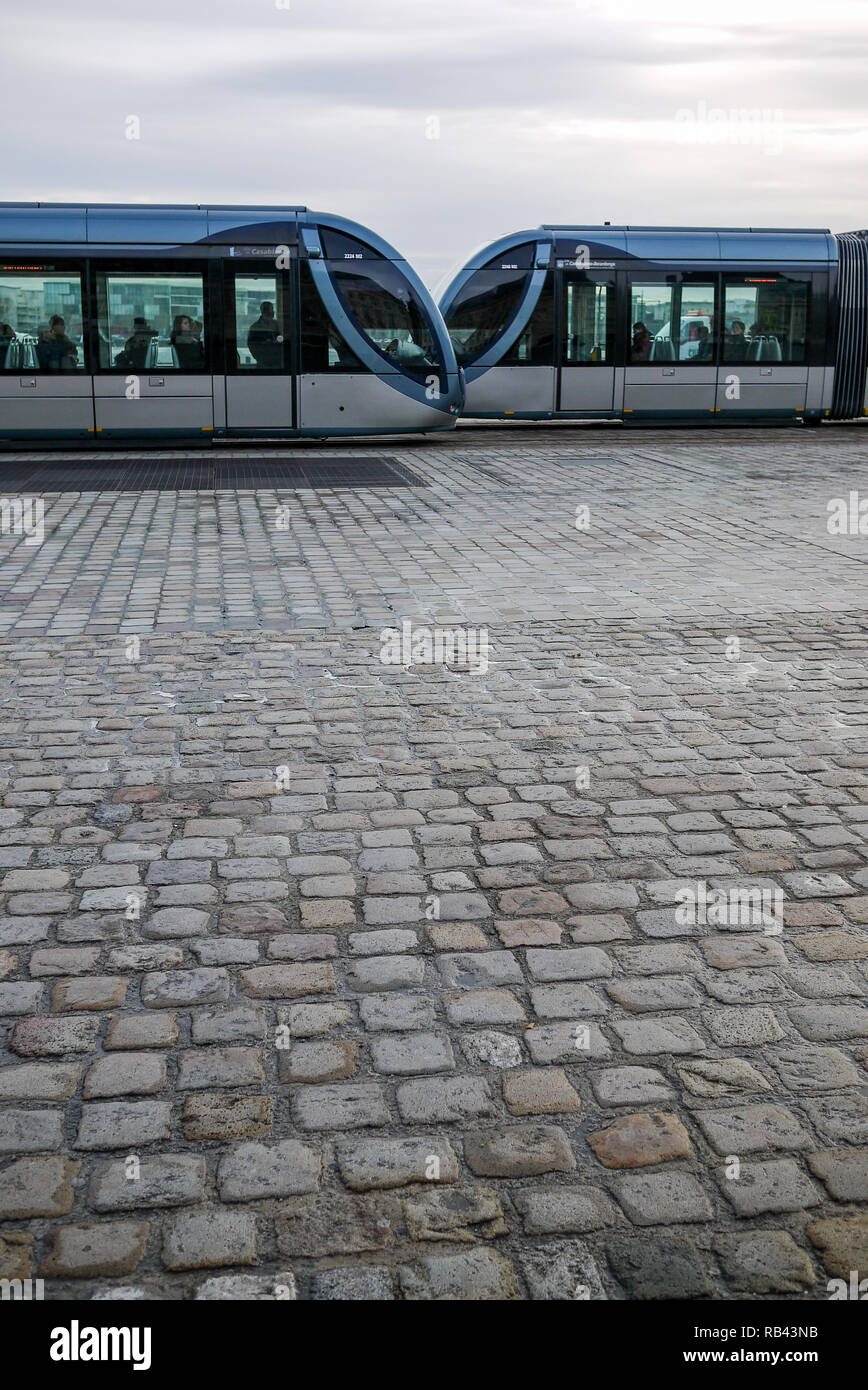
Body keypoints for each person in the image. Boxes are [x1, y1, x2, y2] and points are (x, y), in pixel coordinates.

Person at [247, 301, 281, 368]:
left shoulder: (277, 324)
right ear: (266, 311)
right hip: (263, 364)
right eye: (272, 309)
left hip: (277, 362)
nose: (273, 312)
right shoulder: (255, 327)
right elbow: (252, 345)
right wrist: (261, 359)